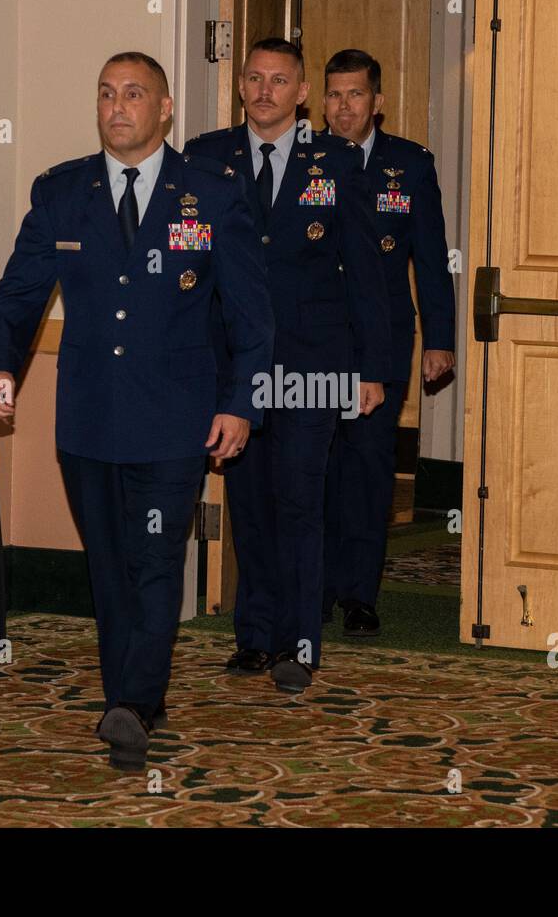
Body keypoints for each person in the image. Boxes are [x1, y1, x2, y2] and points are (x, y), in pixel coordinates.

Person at [0, 52, 274, 771]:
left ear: (166, 109)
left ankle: (132, 701)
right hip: (88, 419)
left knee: (154, 558)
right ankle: (137, 694)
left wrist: (240, 404)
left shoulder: (210, 195)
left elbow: (251, 314)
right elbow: (16, 300)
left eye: (134, 94)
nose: (117, 107)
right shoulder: (62, 193)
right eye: (107, 94)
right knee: (109, 567)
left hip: (176, 419)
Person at [185, 38, 389, 693]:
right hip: (231, 366)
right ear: (240, 85)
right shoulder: (206, 157)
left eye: (279, 80)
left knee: (299, 498)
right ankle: (255, 637)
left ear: (303, 93)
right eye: (254, 78)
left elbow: (366, 273)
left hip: (314, 362)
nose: (264, 90)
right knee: (248, 502)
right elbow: (188, 266)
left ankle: (298, 643)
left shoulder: (335, 160)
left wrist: (373, 368)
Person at [320, 49, 457, 636]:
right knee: (315, 465)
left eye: (355, 95)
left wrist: (440, 339)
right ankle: (313, 585)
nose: (343, 106)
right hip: (314, 343)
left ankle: (359, 594)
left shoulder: (410, 166)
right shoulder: (304, 162)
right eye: (333, 94)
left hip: (382, 341)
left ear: (377, 102)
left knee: (370, 468)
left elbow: (430, 261)